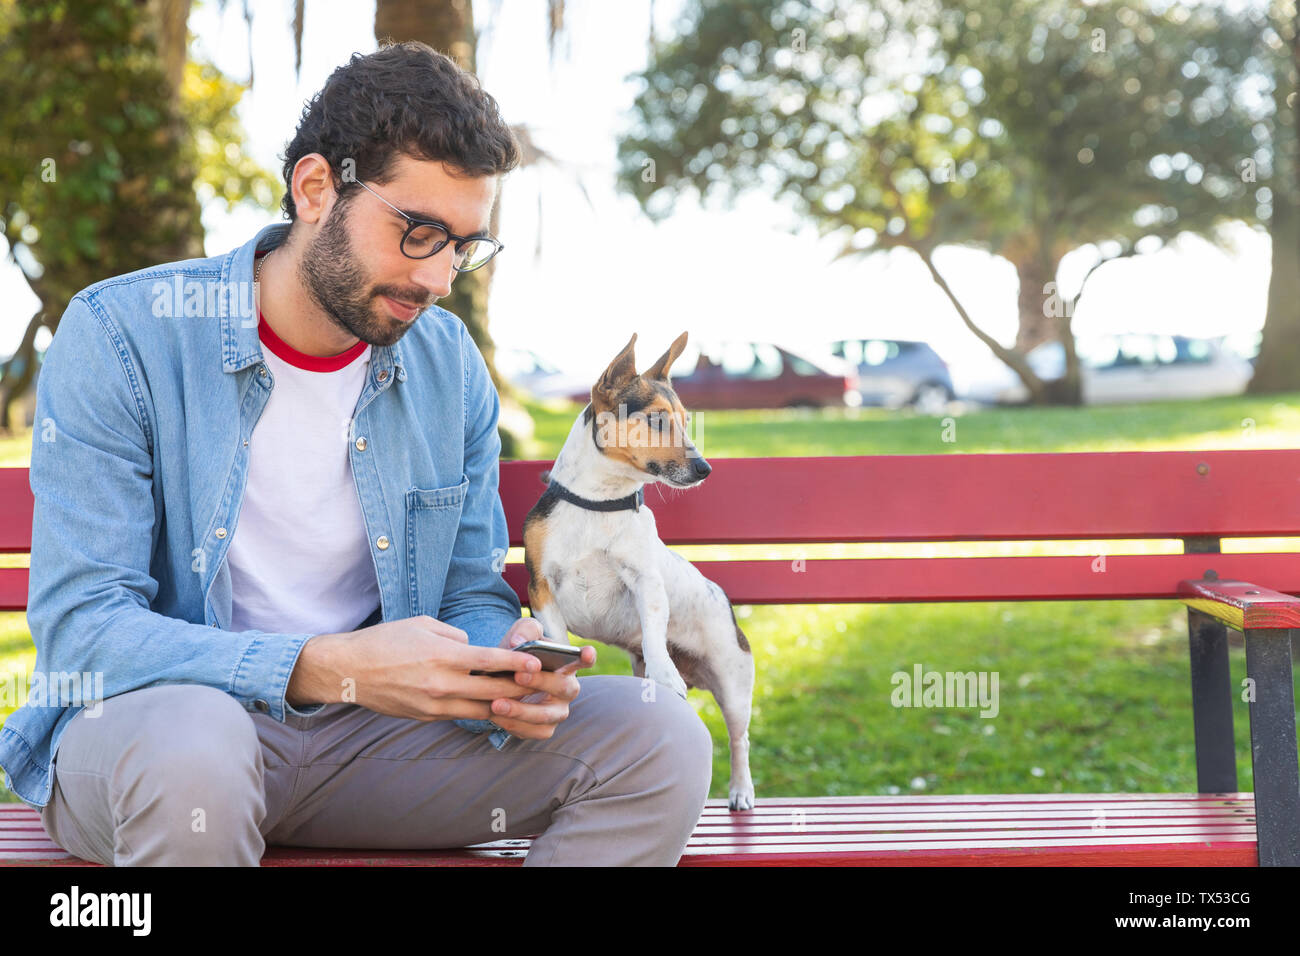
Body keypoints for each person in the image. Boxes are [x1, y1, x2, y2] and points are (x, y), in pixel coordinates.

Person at [0, 40, 712, 867]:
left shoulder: (448, 364)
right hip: (157, 736)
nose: (442, 277)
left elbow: (465, 590)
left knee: (661, 737)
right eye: (418, 232)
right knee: (196, 743)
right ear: (314, 189)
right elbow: (85, 630)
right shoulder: (124, 334)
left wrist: (499, 661)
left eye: (464, 245)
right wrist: (322, 667)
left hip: (377, 744)